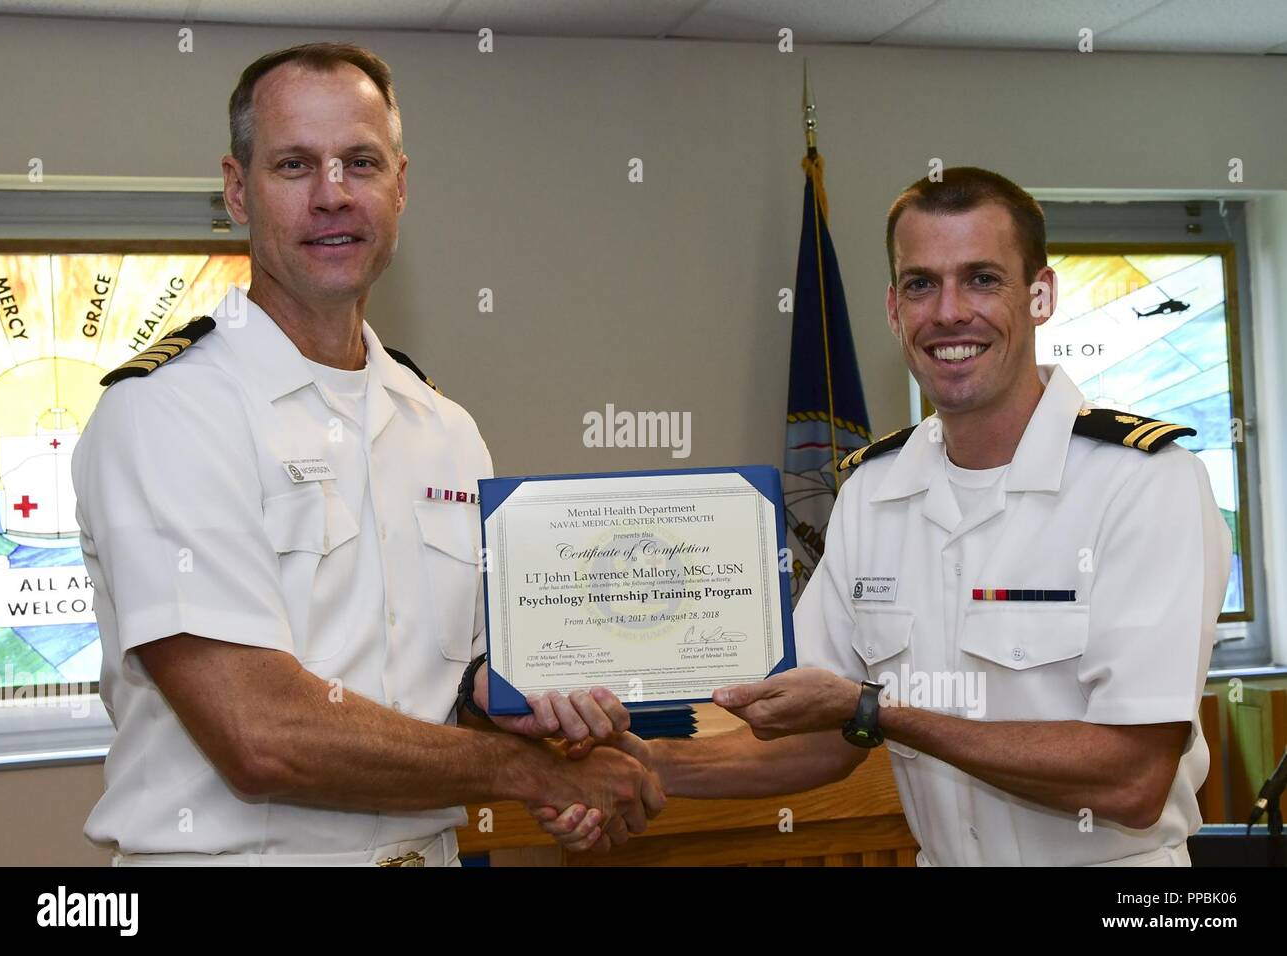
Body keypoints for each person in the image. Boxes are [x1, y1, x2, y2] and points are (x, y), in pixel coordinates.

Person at [536, 167, 1231, 866]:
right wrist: (648, 763)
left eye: (982, 279)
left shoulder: (1143, 484)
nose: (950, 312)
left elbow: (1132, 777)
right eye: (921, 284)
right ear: (895, 309)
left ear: (1041, 295)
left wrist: (874, 711)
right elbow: (825, 734)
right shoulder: (874, 492)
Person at [73, 41, 660, 866]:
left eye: (360, 161)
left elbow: (441, 686)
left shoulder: (445, 429)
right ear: (238, 190)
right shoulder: (166, 415)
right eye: (293, 165)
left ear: (401, 185)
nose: (332, 196)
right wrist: (529, 775)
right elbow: (260, 733)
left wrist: (538, 716)